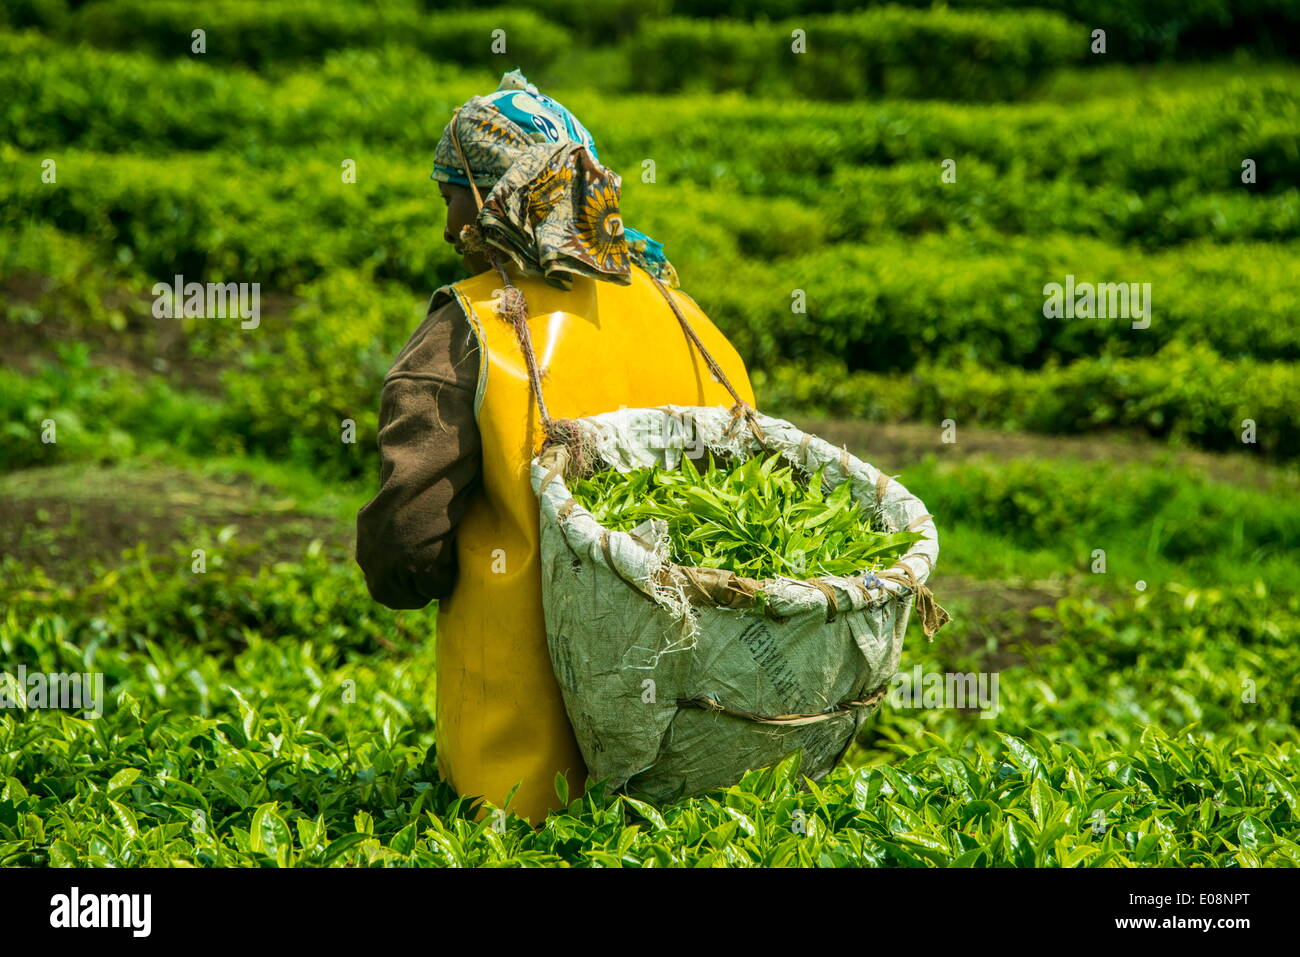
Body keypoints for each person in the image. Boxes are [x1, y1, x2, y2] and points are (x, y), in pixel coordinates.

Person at [355, 70, 756, 824]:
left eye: (451, 194)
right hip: (697, 781)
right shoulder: (689, 319)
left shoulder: (468, 328)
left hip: (519, 782)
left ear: (495, 193)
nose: (447, 226)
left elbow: (404, 549)